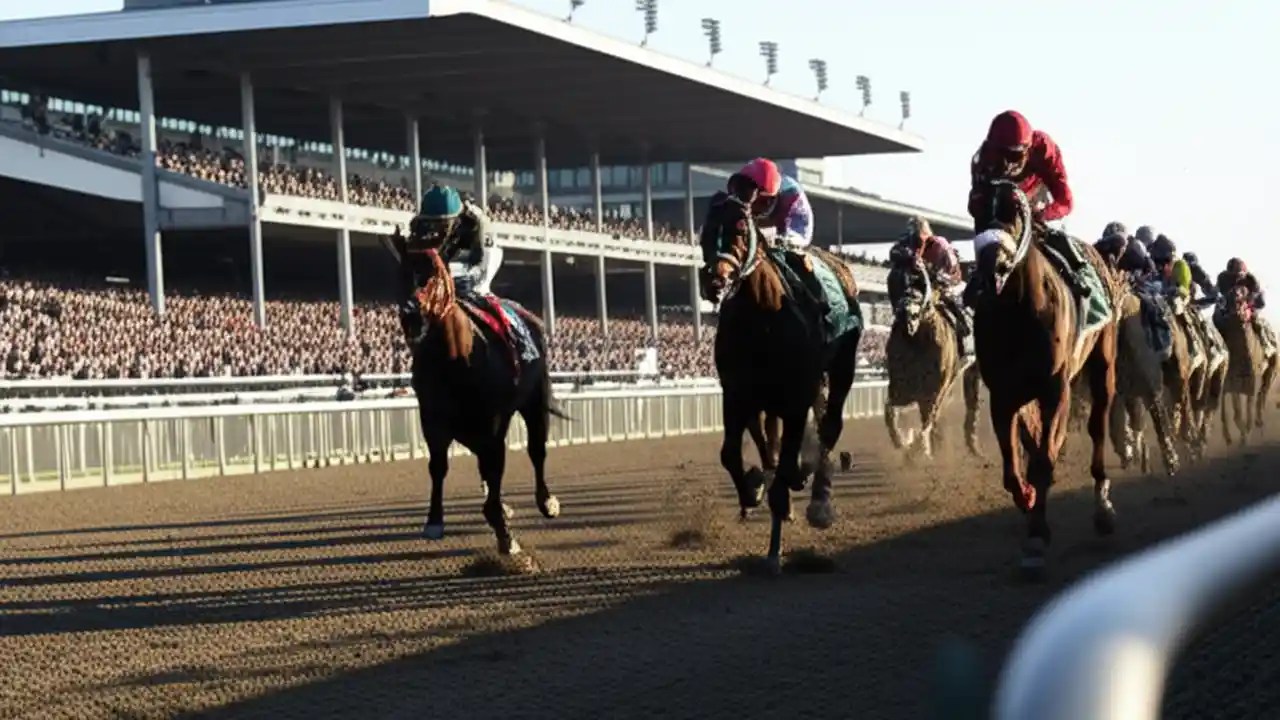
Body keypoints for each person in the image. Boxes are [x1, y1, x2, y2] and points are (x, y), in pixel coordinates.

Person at [393, 184, 537, 368]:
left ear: (456, 220)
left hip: (481, 260)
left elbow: (484, 262)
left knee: (479, 294)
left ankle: (522, 342)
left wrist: (466, 281)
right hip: (450, 264)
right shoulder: (421, 224)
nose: (436, 230)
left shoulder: (477, 222)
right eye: (432, 223)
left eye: (443, 224)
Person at [968, 110, 1089, 297]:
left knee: (1053, 237)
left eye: (1013, 156)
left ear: (1027, 149)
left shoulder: (1044, 149)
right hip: (1002, 210)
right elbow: (975, 208)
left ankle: (1075, 275)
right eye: (999, 154)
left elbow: (1065, 201)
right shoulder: (982, 160)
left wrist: (1042, 214)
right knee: (986, 241)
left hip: (1036, 202)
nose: (1006, 164)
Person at [726, 158, 829, 319]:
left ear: (768, 197)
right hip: (766, 228)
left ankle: (818, 301)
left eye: (756, 200)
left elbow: (797, 232)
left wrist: (778, 238)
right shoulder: (742, 195)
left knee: (792, 255)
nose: (749, 205)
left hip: (792, 229)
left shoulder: (791, 194)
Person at [889, 216, 971, 356]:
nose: (915, 243)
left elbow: (952, 271)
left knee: (948, 301)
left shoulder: (940, 245)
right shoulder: (908, 244)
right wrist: (909, 257)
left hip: (948, 282)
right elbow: (894, 253)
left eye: (917, 236)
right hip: (922, 285)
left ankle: (963, 331)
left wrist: (933, 273)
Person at [1216, 257, 1277, 355]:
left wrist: (1249, 306)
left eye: (1237, 276)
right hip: (1232, 304)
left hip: (1251, 303)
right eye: (1231, 276)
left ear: (1243, 273)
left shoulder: (1251, 280)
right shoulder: (1222, 278)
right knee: (1217, 318)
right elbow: (1219, 294)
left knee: (1255, 320)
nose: (1235, 279)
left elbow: (1260, 300)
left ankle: (1266, 344)